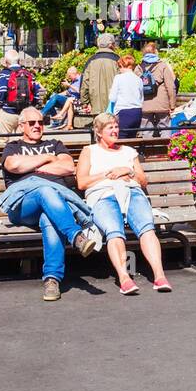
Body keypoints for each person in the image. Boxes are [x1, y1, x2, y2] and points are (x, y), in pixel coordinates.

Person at [0, 107, 102, 301]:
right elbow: (13, 165)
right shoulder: (13, 146)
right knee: (45, 189)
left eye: (41, 122)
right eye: (32, 123)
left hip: (54, 208)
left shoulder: (55, 143)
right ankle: (76, 236)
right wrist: (46, 159)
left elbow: (68, 166)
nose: (37, 126)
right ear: (21, 126)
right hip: (23, 205)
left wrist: (32, 167)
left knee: (49, 218)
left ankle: (52, 280)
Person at [77, 113, 172, 295]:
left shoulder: (128, 152)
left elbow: (143, 181)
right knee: (114, 231)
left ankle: (159, 276)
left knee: (147, 228)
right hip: (103, 195)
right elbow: (81, 182)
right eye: (109, 127)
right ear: (98, 131)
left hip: (131, 192)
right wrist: (108, 173)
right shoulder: (89, 151)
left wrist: (127, 170)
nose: (115, 130)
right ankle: (124, 278)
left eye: (116, 126)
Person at [0, 48, 39, 136]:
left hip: (8, 111)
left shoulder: (4, 74)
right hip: (24, 112)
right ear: (19, 61)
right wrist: (31, 105)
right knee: (24, 140)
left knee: (3, 140)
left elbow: (2, 91)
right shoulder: (28, 74)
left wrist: (0, 104)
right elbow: (36, 91)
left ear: (6, 61)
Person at [138, 41, 178, 137]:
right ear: (155, 52)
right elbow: (170, 86)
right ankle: (165, 149)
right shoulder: (162, 66)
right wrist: (172, 105)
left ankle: (147, 150)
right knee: (165, 128)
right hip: (162, 104)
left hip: (145, 104)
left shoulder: (139, 67)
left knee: (146, 130)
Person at [78, 33, 120, 116]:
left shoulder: (91, 61)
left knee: (99, 127)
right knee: (112, 127)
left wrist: (85, 102)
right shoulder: (117, 60)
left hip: (95, 105)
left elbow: (84, 84)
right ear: (111, 44)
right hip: (114, 105)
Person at [107, 53, 144, 139]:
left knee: (121, 139)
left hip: (123, 111)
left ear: (122, 66)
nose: (119, 70)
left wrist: (110, 92)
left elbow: (112, 98)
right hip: (137, 112)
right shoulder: (139, 79)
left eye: (119, 67)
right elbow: (141, 98)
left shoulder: (118, 78)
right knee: (132, 138)